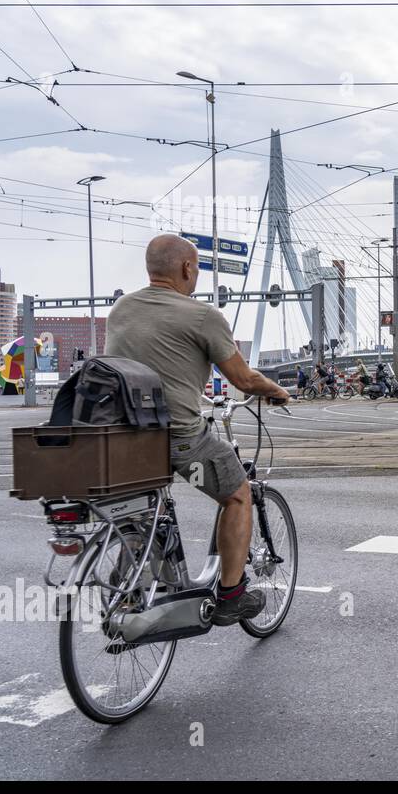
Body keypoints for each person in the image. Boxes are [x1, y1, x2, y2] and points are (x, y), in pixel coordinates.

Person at [106, 234, 290, 626]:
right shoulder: (203, 316)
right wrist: (277, 391)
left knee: (143, 508)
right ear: (187, 268)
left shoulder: (121, 308)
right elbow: (243, 379)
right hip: (180, 440)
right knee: (238, 494)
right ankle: (231, 596)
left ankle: (126, 594)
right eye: (197, 269)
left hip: (124, 438)